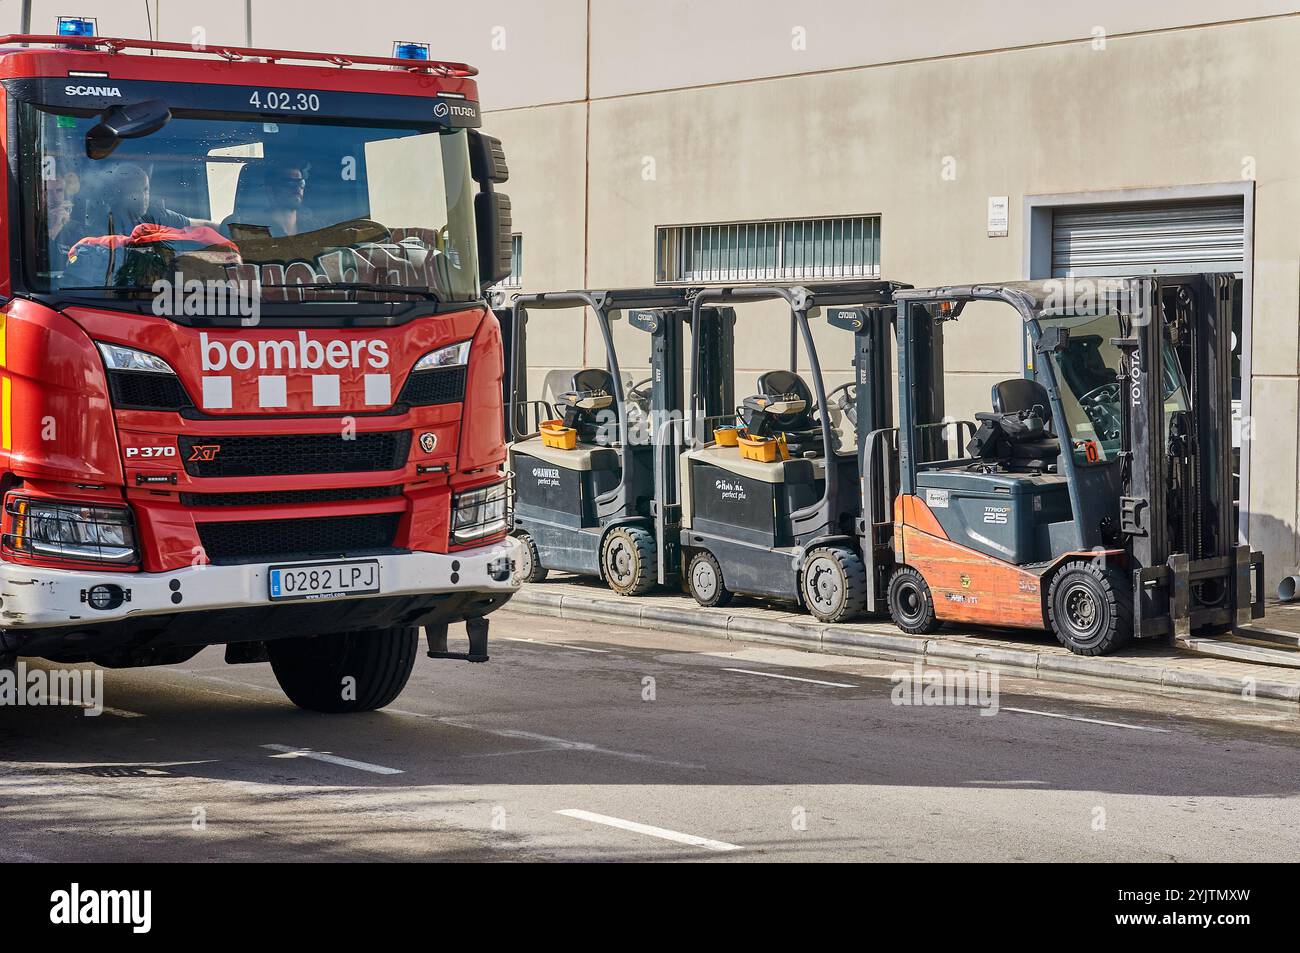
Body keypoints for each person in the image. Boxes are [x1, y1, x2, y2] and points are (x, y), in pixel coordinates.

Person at [223, 160, 319, 237]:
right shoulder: (246, 229)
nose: (297, 188)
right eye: (289, 183)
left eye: (300, 183)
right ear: (270, 189)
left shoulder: (315, 227)